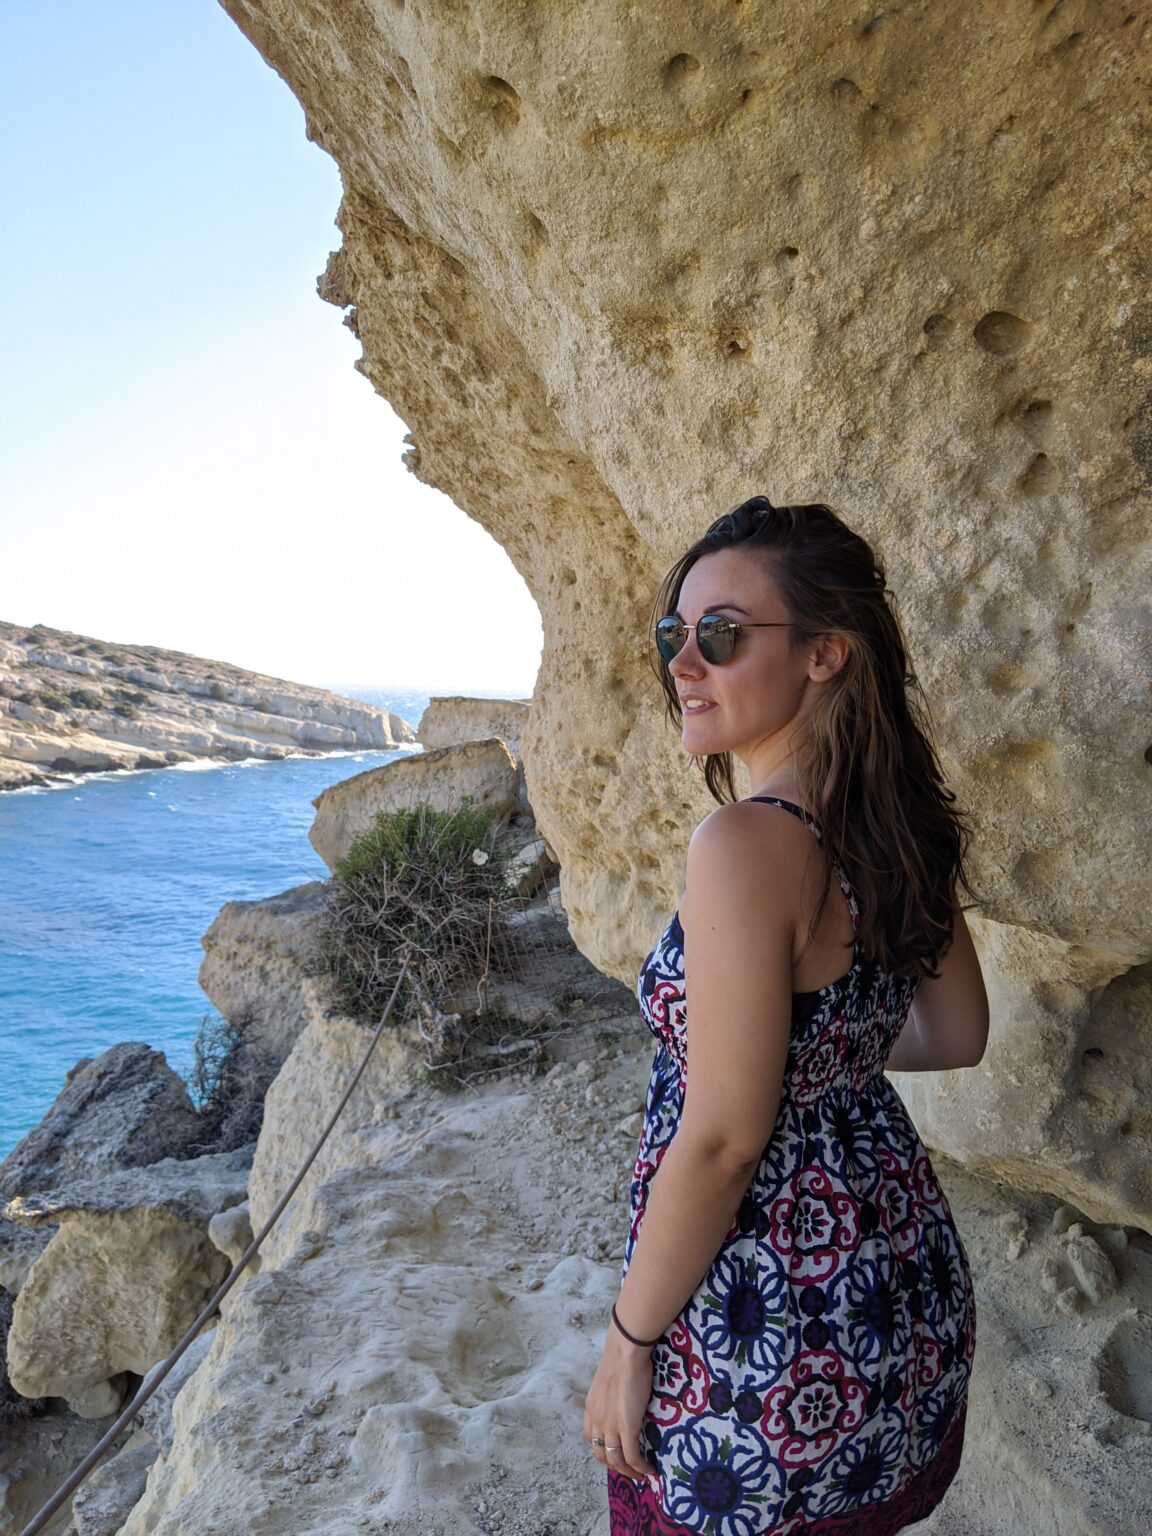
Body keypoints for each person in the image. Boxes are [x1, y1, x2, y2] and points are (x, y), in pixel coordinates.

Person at [583, 496, 988, 1536]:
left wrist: (629, 1345)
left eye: (721, 635)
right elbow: (956, 1034)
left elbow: (722, 1139)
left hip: (760, 1331)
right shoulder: (898, 823)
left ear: (825, 655)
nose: (683, 664)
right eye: (675, 635)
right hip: (896, 1297)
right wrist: (801, 1055)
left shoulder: (743, 845)